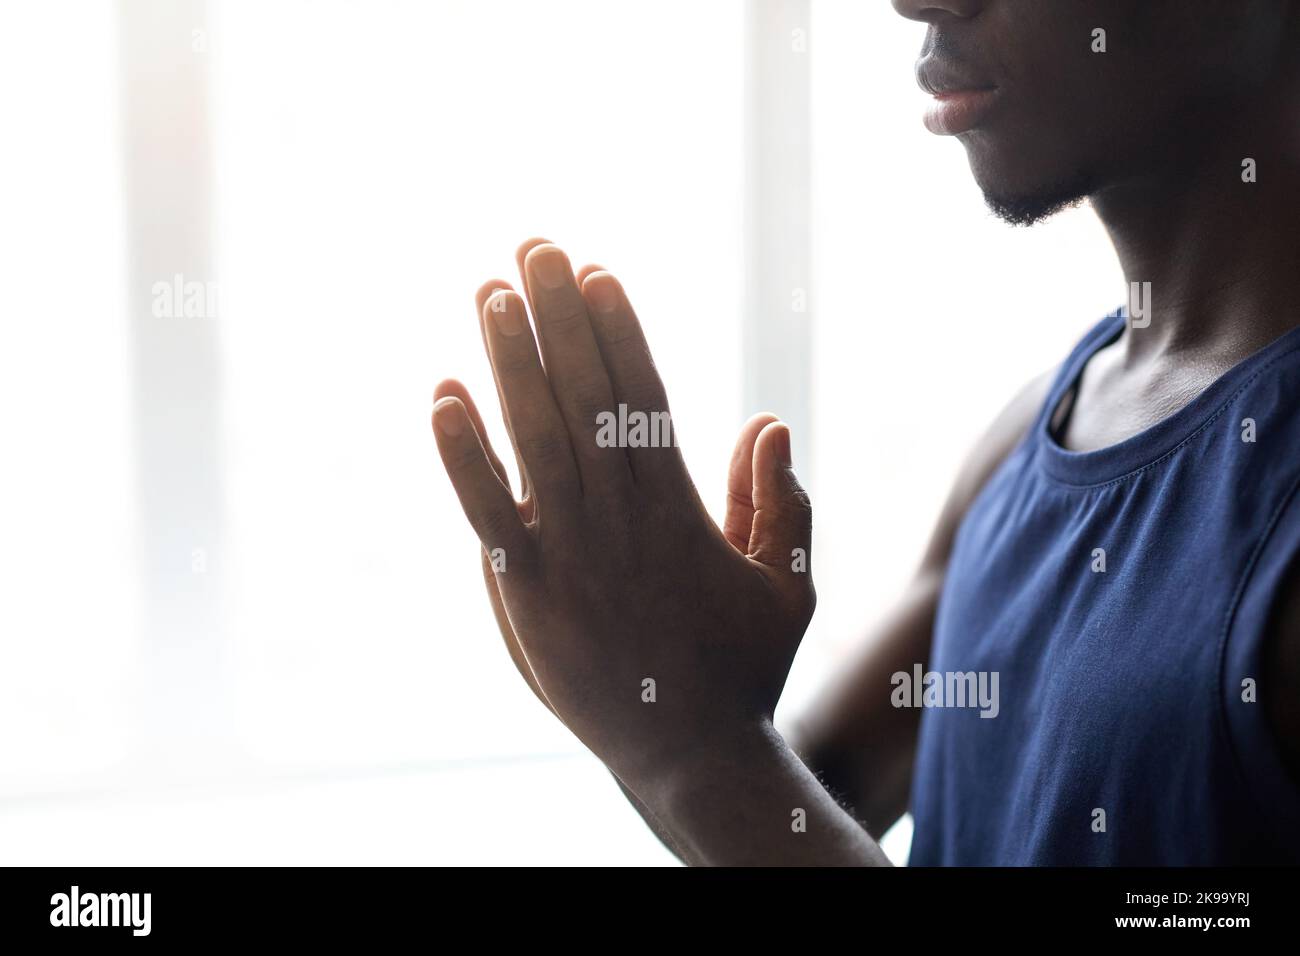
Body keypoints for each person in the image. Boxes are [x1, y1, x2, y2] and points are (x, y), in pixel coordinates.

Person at [430, 0, 1300, 865]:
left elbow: (736, 776)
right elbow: (798, 786)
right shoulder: (1030, 440)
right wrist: (650, 680)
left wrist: (692, 750)